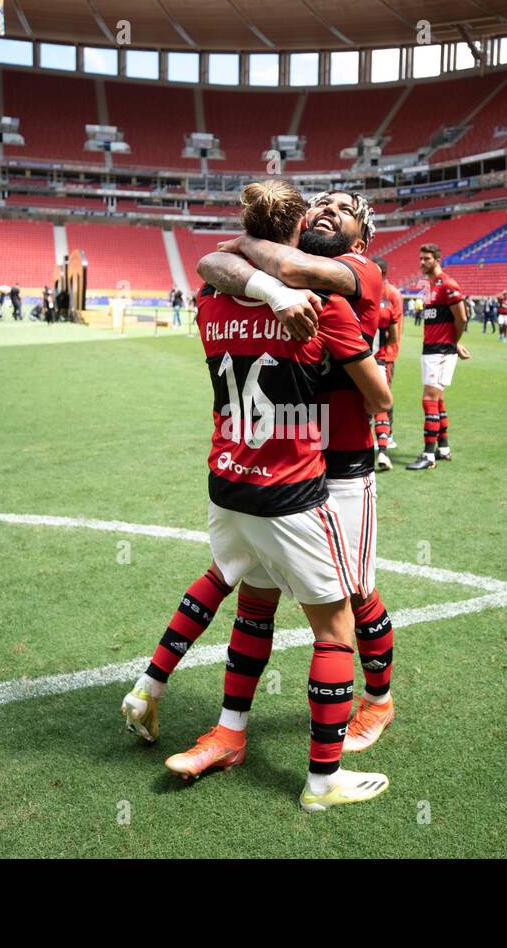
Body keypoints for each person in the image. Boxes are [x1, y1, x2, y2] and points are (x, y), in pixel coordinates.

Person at [125, 180, 394, 812]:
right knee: (256, 600)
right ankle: (231, 733)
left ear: (362, 238)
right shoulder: (297, 294)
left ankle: (377, 703)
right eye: (317, 207)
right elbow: (228, 261)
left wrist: (266, 269)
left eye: (343, 211)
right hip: (293, 470)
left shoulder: (359, 273)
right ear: (297, 225)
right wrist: (269, 282)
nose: (329, 213)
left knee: (354, 597)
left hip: (340, 462)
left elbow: (251, 264)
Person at [406, 243, 469, 470]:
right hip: (429, 349)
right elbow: (428, 314)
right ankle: (443, 448)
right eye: (421, 259)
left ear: (437, 259)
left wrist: (454, 343)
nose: (422, 262)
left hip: (442, 351)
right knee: (438, 399)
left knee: (429, 400)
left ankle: (428, 455)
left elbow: (461, 318)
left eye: (427, 259)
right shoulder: (425, 285)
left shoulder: (448, 284)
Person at [372, 258, 403, 471]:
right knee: (377, 398)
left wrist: (391, 350)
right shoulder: (374, 294)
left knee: (383, 397)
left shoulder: (391, 294)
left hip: (384, 354)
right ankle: (383, 441)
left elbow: (396, 328)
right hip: (379, 354)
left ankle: (387, 436)